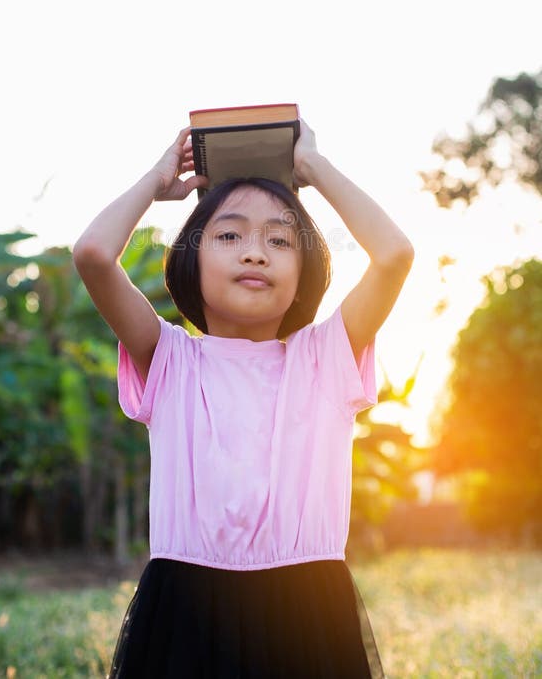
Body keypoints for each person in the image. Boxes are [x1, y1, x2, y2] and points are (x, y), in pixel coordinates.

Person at [72, 118, 414, 678]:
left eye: (280, 239)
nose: (255, 253)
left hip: (308, 611)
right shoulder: (170, 360)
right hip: (186, 607)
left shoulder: (323, 359)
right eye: (229, 235)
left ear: (304, 270)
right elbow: (93, 254)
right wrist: (157, 181)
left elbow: (395, 254)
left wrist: (314, 170)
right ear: (191, 257)